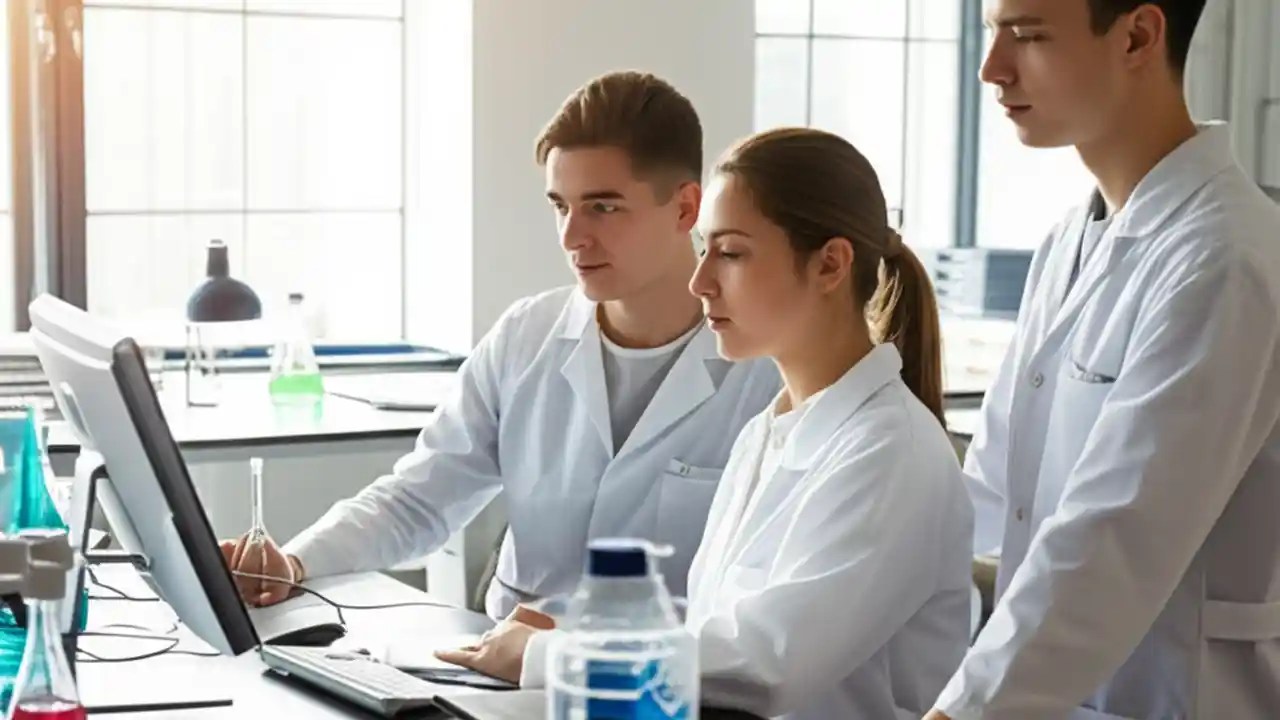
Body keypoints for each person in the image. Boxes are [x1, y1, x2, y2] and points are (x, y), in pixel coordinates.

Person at [439, 128, 974, 720]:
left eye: (732, 253)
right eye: (704, 249)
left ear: (830, 264)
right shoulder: (768, 432)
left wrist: (549, 655)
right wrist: (573, 629)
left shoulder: (891, 452)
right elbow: (715, 623)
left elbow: (768, 663)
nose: (700, 282)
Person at [220, 71, 779, 619]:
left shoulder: (768, 368)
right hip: (500, 663)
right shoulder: (525, 336)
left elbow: (762, 600)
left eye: (603, 207)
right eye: (560, 206)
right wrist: (295, 562)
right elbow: (419, 499)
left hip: (662, 673)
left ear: (685, 208)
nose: (572, 237)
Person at [926, 1, 1280, 718]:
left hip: (1180, 695)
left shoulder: (1224, 257)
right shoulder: (1069, 240)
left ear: (1138, 37)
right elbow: (991, 489)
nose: (992, 69)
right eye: (992, 33)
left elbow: (1114, 537)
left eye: (1028, 35)